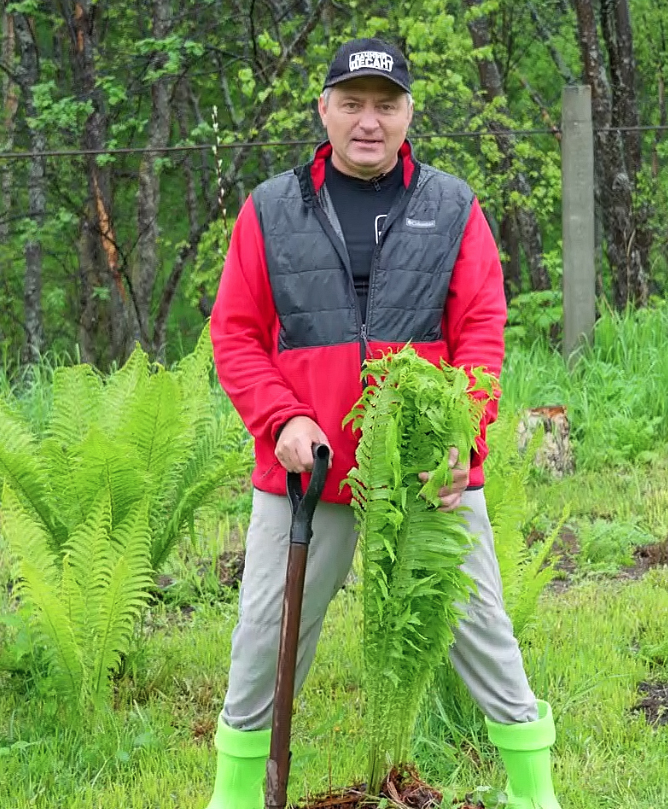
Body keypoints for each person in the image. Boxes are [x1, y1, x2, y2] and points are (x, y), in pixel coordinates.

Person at [208, 37, 561, 809]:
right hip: (310, 472)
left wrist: (457, 442)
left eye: (387, 104)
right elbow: (234, 334)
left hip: (429, 474)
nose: (370, 121)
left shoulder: (453, 205)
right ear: (324, 109)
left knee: (482, 633)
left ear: (408, 112)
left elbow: (482, 334)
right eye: (354, 103)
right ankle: (235, 799)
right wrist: (283, 420)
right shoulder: (270, 208)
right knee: (267, 643)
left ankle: (537, 795)